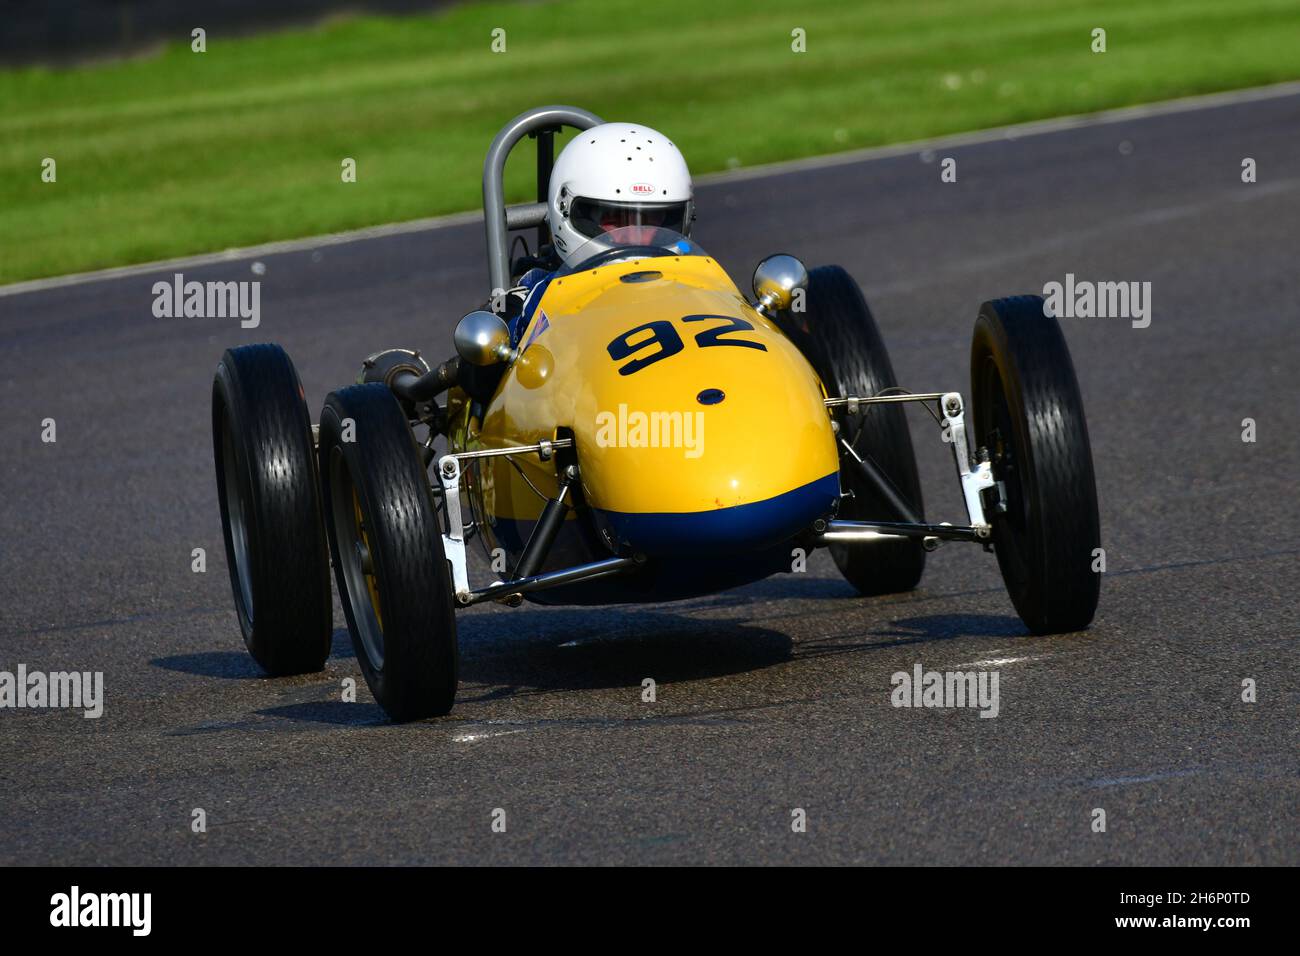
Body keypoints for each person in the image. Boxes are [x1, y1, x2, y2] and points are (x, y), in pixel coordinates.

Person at [504, 122, 695, 344]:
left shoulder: (701, 285)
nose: (634, 239)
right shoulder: (540, 296)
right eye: (614, 220)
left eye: (651, 222)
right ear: (565, 210)